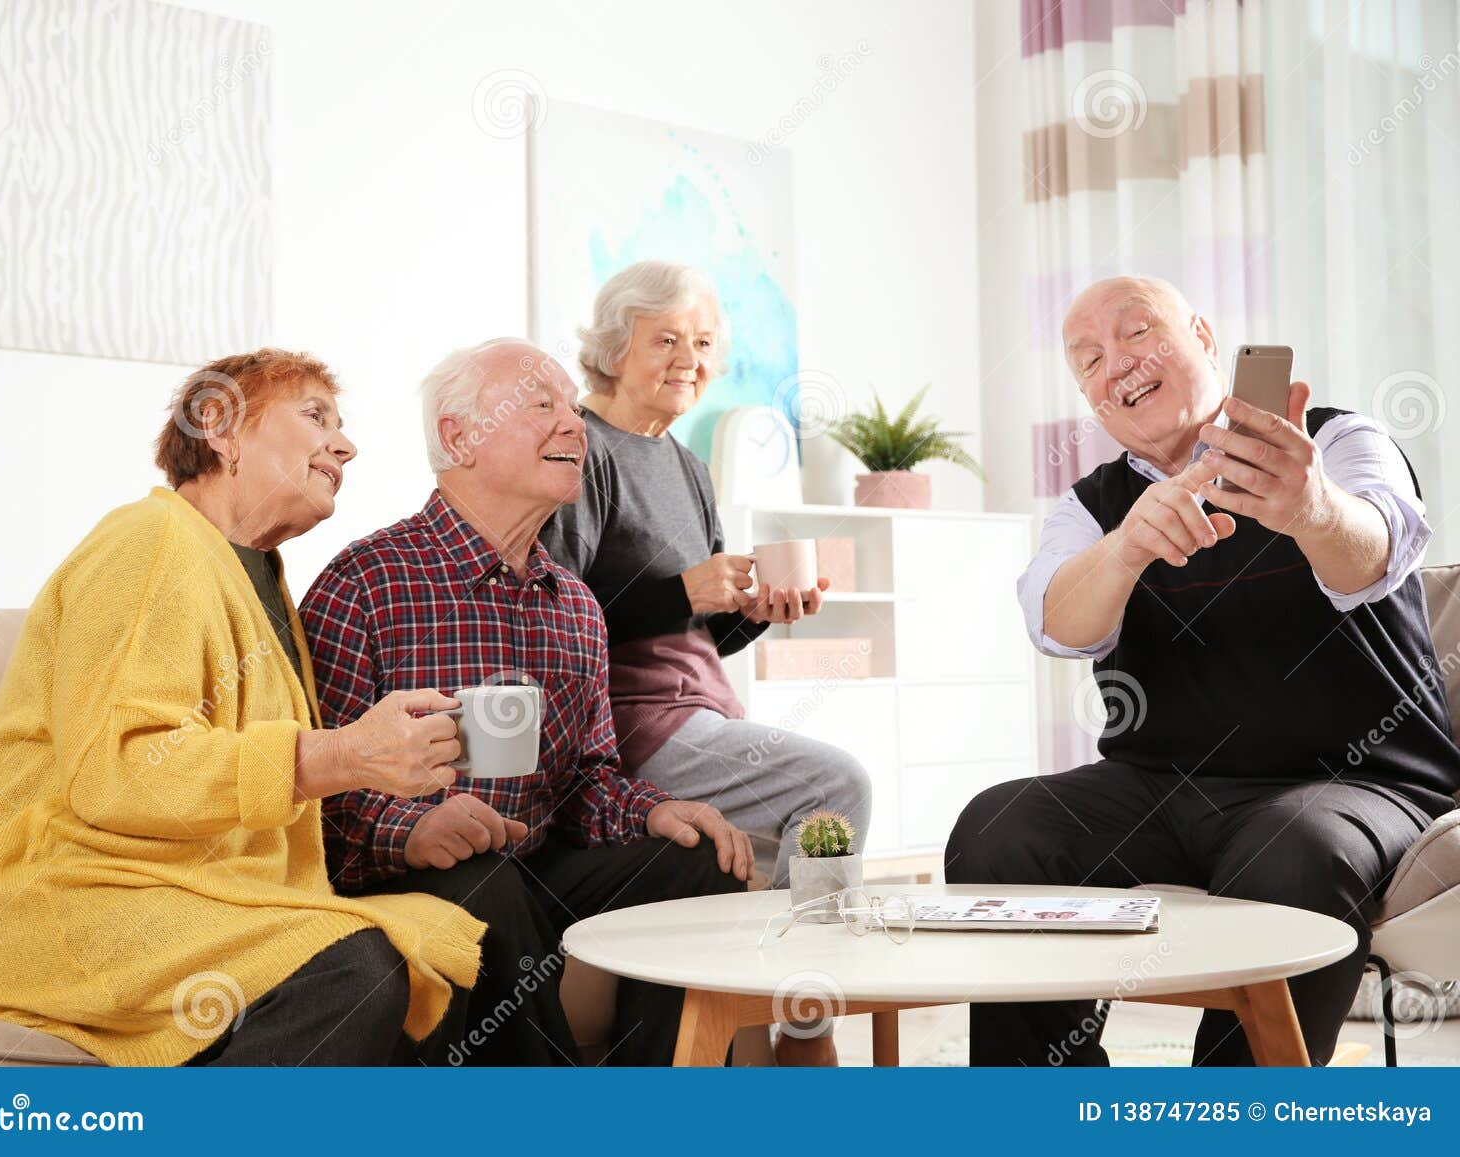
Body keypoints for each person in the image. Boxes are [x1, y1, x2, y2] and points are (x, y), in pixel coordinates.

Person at [0, 349, 485, 1067]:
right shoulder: (150, 541)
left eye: (342, 425)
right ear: (220, 422)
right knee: (350, 972)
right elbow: (122, 771)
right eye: (315, 416)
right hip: (40, 901)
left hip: (169, 899)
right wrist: (344, 753)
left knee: (448, 950)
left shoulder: (257, 578)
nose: (346, 444)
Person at [946, 276, 1460, 1066]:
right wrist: (1125, 547)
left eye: (1136, 334)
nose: (1116, 364)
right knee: (999, 828)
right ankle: (1045, 1114)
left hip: (1355, 780)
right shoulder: (1093, 507)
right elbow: (1053, 621)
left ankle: (1224, 1123)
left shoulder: (1335, 440)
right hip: (1162, 781)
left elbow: (1380, 549)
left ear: (1205, 337)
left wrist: (1310, 509)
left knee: (1296, 850)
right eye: (1088, 359)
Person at [299, 338, 752, 1067]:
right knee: (482, 882)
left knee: (697, 858)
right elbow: (312, 796)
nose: (575, 426)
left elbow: (585, 782)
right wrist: (410, 830)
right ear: (459, 437)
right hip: (414, 878)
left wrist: (651, 810)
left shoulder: (574, 604)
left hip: (535, 864)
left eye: (573, 408)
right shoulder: (365, 582)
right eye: (542, 405)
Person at [537, 261, 872, 886]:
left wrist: (751, 615)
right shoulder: (583, 448)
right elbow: (555, 626)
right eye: (665, 340)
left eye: (703, 342)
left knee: (763, 870)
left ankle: (762, 974)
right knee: (836, 785)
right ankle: (811, 965)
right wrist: (682, 591)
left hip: (704, 712)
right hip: (633, 724)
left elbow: (694, 633)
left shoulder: (689, 466)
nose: (689, 358)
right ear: (614, 349)